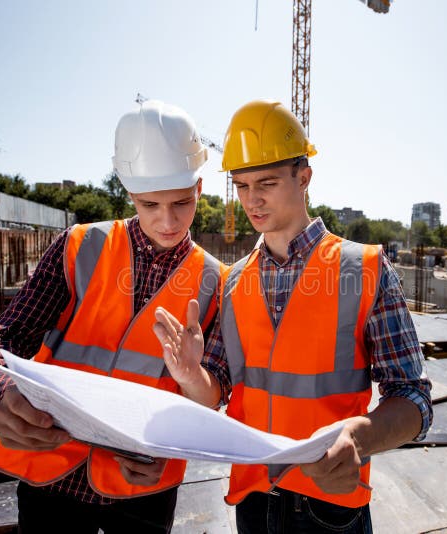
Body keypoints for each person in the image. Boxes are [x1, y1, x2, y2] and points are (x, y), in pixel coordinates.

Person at [152, 99, 432, 533]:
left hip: (331, 507)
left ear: (304, 177)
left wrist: (360, 438)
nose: (252, 199)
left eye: (266, 182)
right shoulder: (234, 281)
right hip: (254, 500)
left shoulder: (364, 270)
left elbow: (413, 398)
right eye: (241, 185)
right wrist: (191, 375)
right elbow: (215, 392)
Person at [0, 99, 223, 533]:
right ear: (129, 194)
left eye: (181, 202)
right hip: (53, 478)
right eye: (149, 205)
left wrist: (181, 429)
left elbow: (214, 399)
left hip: (142, 484)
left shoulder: (216, 281)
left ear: (199, 188)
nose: (166, 221)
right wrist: (0, 393)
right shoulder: (79, 246)